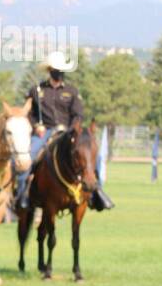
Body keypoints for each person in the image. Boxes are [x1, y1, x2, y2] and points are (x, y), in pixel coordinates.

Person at [14, 50, 116, 212]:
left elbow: (78, 114)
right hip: (44, 132)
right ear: (49, 71)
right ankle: (22, 195)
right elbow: (29, 114)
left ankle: (97, 192)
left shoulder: (72, 91)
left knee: (91, 157)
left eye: (61, 70)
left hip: (68, 133)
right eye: (56, 70)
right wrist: (36, 126)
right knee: (27, 159)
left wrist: (74, 129)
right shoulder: (37, 90)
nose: (59, 73)